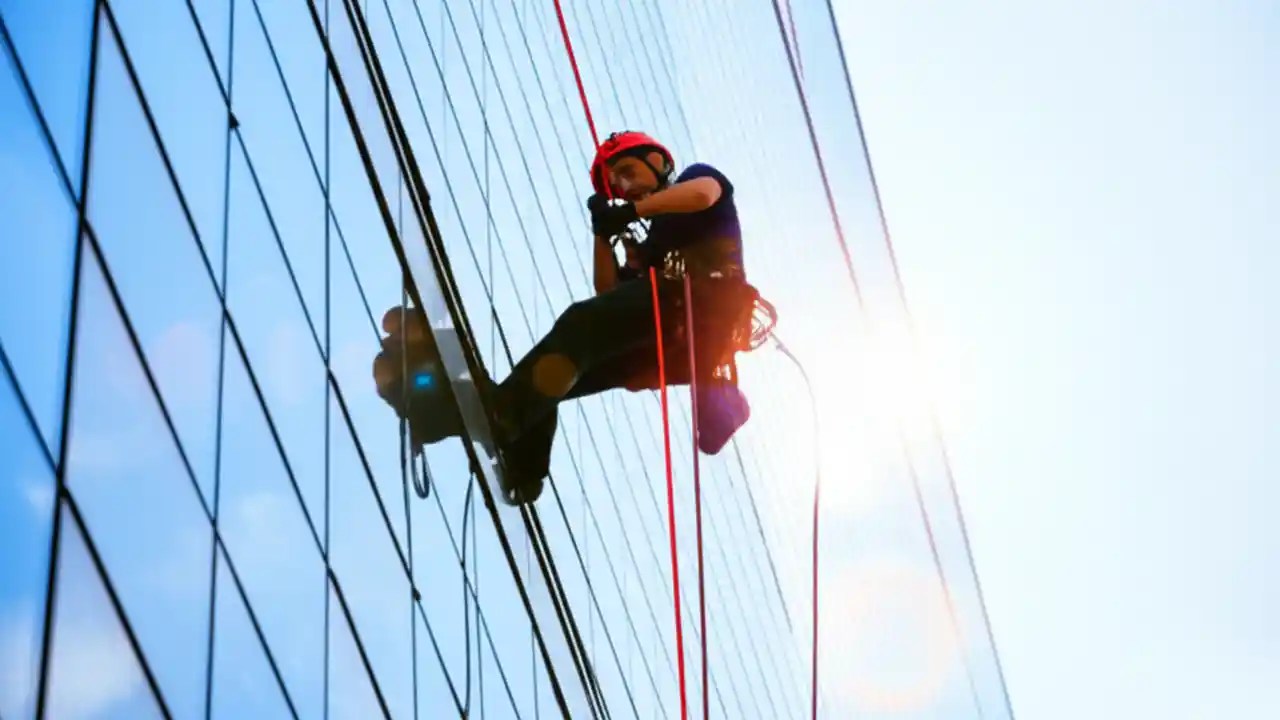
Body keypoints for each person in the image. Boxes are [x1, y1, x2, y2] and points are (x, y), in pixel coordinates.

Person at [375, 131, 772, 505]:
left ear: (657, 160)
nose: (625, 187)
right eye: (617, 185)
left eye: (628, 173)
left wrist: (632, 211)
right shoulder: (652, 246)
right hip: (678, 343)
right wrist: (603, 232)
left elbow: (703, 196)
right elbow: (609, 295)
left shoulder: (696, 179)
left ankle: (504, 414)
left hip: (707, 305)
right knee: (561, 376)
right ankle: (524, 468)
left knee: (579, 327)